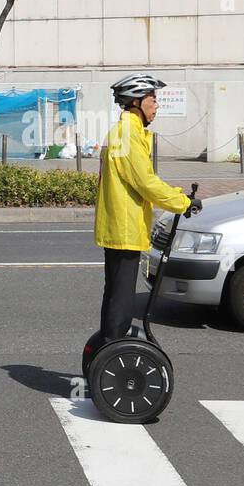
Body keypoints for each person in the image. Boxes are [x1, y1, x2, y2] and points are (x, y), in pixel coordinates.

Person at [94, 73, 200, 345]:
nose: (156, 104)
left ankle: (111, 342)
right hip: (124, 226)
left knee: (116, 292)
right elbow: (144, 181)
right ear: (136, 102)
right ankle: (113, 349)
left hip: (120, 224)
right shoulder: (128, 134)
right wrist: (182, 202)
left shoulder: (124, 132)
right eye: (152, 98)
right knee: (122, 295)